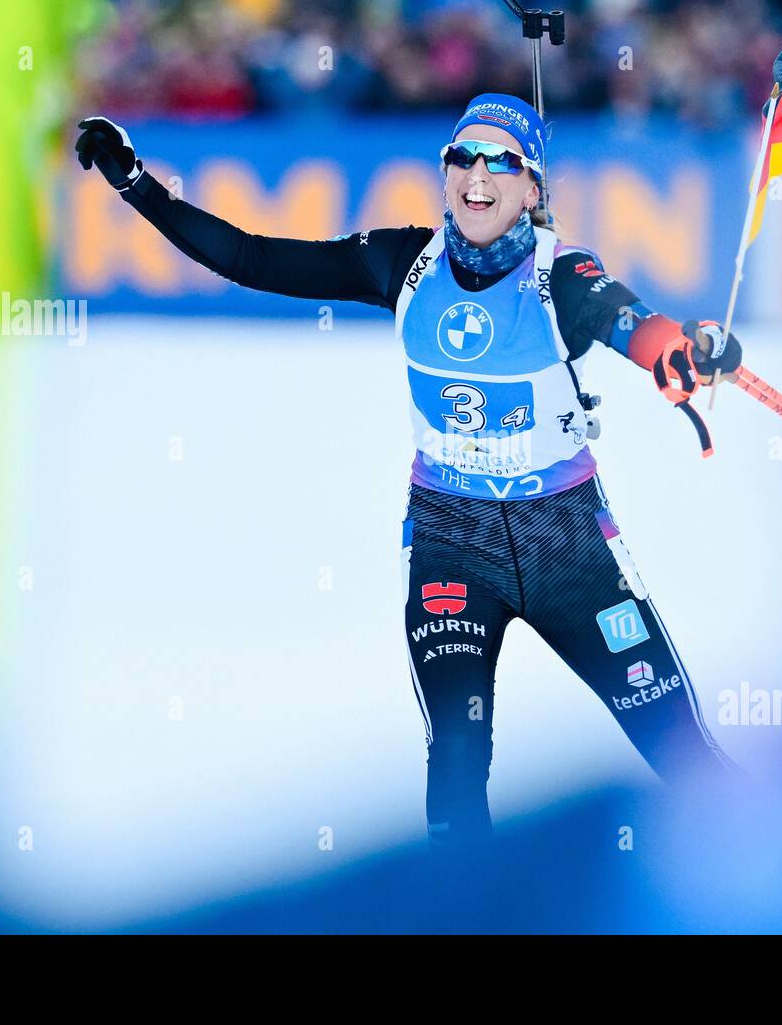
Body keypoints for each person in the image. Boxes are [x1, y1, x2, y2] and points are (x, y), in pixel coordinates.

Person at [75, 93, 742, 848]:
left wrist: (680, 352)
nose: (479, 176)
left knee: (680, 752)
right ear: (444, 172)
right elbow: (250, 257)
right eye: (464, 157)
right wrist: (137, 185)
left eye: (502, 162)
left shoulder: (563, 277)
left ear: (532, 188)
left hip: (567, 545)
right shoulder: (402, 260)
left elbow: (635, 325)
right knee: (457, 762)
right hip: (451, 540)